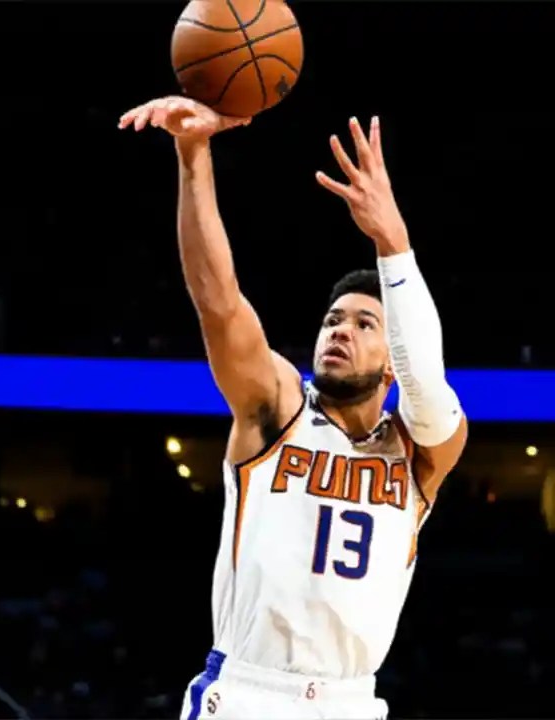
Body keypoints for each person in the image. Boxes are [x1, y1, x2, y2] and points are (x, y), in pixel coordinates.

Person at [117, 97, 468, 720]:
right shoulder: (275, 408)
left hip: (353, 702)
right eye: (333, 319)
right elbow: (218, 302)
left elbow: (430, 388)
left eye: (364, 324)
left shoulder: (419, 454)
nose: (339, 330)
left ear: (394, 361)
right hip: (250, 692)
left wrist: (393, 243)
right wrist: (194, 156)